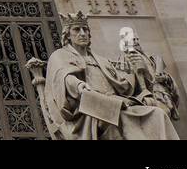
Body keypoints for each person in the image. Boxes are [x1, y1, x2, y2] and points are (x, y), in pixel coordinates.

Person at [42, 12, 178, 140]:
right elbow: (62, 76)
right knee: (116, 116)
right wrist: (78, 85)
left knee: (157, 114)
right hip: (88, 107)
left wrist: (139, 70)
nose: (82, 34)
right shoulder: (60, 55)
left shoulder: (101, 60)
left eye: (85, 30)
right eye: (77, 30)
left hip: (116, 102)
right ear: (68, 36)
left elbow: (123, 85)